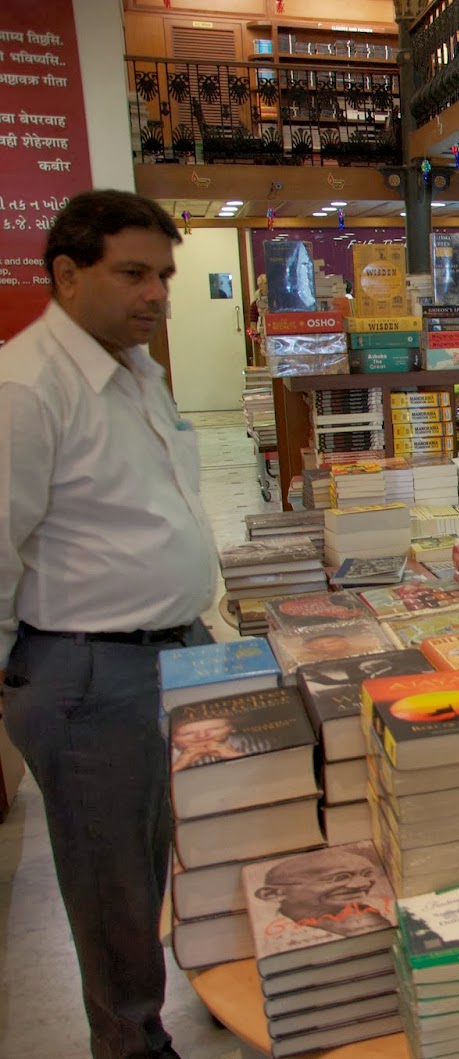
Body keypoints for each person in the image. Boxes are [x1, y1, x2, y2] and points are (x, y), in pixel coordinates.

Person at [0, 189, 219, 1059]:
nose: (156, 294)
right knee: (114, 886)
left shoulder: (133, 367)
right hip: (92, 672)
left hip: (173, 652)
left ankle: (187, 997)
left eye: (163, 275)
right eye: (132, 273)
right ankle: (132, 1045)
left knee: (187, 841)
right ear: (67, 274)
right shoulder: (27, 386)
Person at [251, 846, 395, 944]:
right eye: (339, 878)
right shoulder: (274, 938)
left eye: (367, 874)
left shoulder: (385, 911)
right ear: (272, 894)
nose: (362, 884)